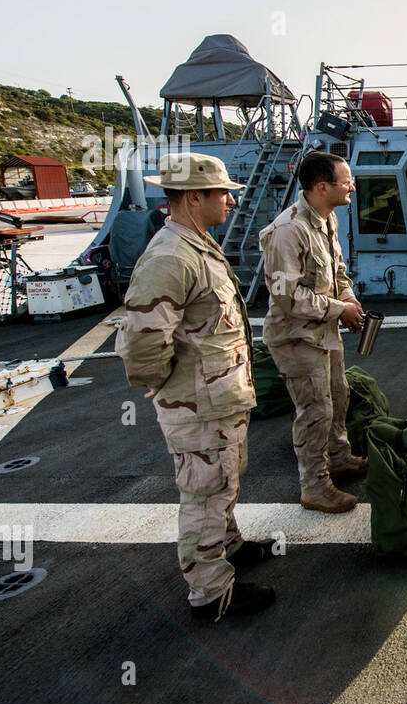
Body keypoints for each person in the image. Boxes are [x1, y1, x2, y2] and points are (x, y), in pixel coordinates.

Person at [116, 153, 276, 622]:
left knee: (223, 480)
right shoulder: (170, 256)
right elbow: (144, 342)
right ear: (193, 197)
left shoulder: (195, 243)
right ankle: (210, 591)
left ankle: (228, 545)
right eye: (222, 193)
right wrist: (172, 387)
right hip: (199, 403)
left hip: (218, 398)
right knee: (205, 492)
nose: (230, 200)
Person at [259, 152, 367, 514]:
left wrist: (348, 298)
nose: (351, 185)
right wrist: (339, 309)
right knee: (315, 409)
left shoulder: (326, 218)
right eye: (346, 180)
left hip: (322, 331)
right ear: (323, 187)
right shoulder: (287, 232)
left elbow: (336, 270)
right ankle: (315, 486)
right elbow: (286, 296)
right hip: (296, 336)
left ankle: (338, 457)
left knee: (338, 394)